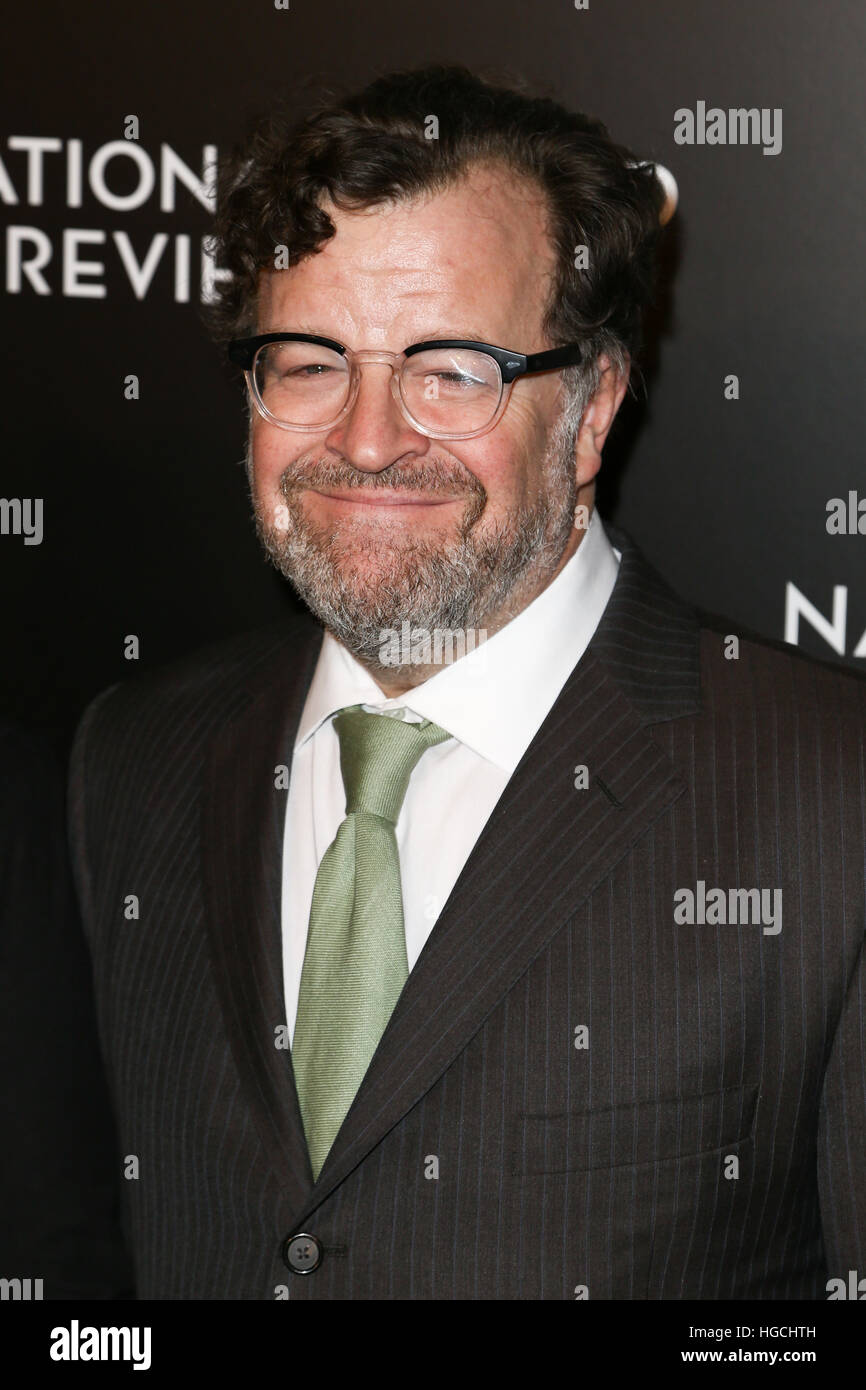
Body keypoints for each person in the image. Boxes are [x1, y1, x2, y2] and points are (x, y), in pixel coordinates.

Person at [69, 64, 866, 1300]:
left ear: (591, 407)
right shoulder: (132, 757)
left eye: (451, 369)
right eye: (309, 361)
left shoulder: (832, 798)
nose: (370, 438)